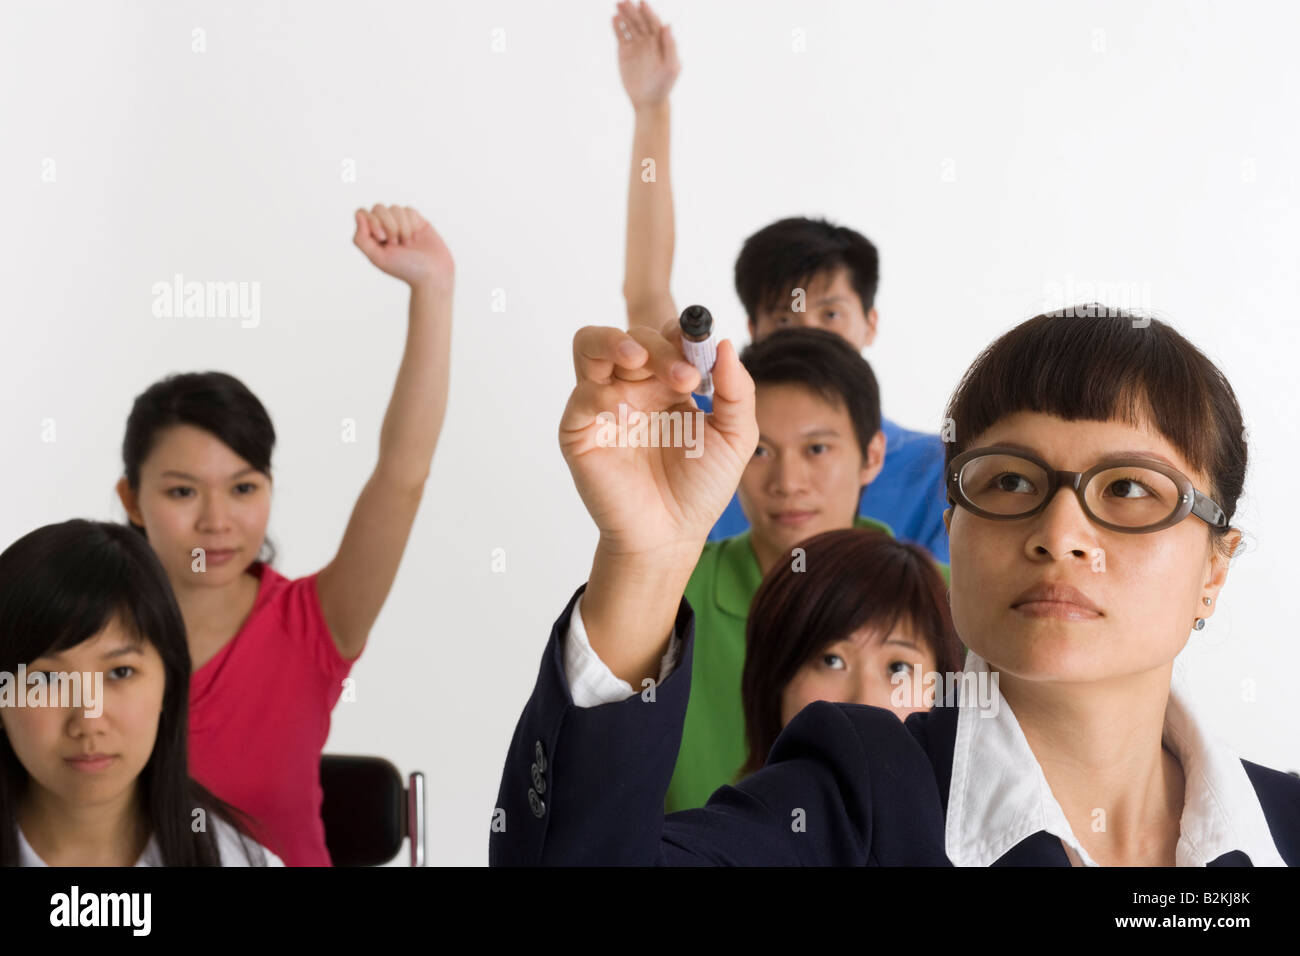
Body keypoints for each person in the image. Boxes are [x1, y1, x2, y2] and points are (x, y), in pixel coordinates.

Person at [491, 308, 1300, 866]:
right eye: (1011, 482)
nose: (1059, 534)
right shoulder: (857, 801)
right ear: (953, 530)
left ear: (1214, 571)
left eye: (1129, 489)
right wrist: (647, 553)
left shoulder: (1285, 827)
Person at [114, 204, 453, 865]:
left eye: (243, 489)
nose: (217, 520)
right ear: (132, 498)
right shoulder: (83, 637)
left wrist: (433, 288)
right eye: (183, 491)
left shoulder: (313, 624)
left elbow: (401, 473)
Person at [611, 0, 949, 561]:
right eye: (786, 317)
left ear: (871, 322)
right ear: (753, 329)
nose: (809, 333)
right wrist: (652, 109)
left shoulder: (933, 471)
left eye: (830, 313)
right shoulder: (699, 439)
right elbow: (645, 293)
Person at [649, 327, 949, 810]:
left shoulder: (951, 600)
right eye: (760, 450)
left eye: (816, 449)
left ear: (872, 456)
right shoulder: (666, 590)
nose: (788, 483)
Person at [0, 520, 282, 866]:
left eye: (120, 672)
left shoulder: (237, 861)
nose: (89, 721)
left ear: (169, 684)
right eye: (46, 680)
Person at [739, 527, 965, 777]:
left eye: (898, 668)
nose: (863, 702)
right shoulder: (734, 815)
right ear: (774, 677)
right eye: (831, 661)